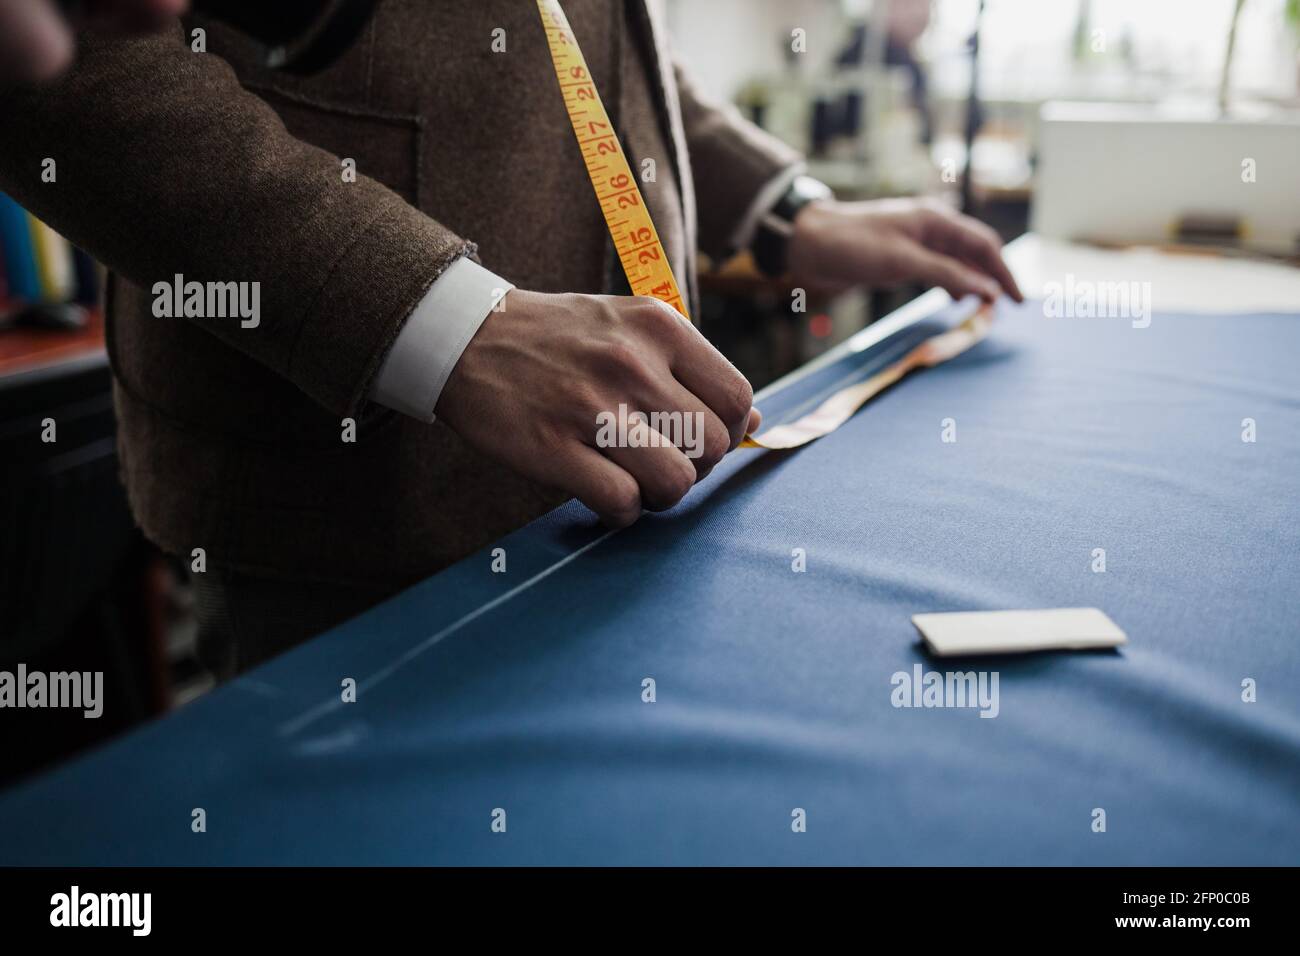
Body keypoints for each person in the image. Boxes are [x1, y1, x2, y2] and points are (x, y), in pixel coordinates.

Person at [0, 1, 1020, 674]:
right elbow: (80, 71)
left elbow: (600, 43)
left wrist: (788, 211)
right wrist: (433, 317)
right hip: (345, 486)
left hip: (623, 484)